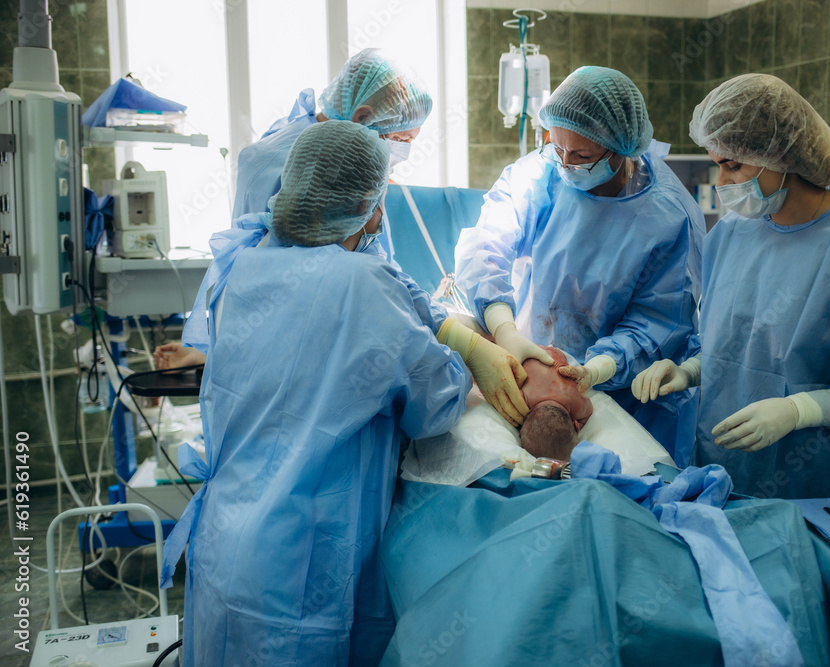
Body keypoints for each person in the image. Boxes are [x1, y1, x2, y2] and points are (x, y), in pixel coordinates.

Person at [159, 120, 472, 666]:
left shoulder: (244, 266)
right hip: (299, 567)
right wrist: (474, 358)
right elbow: (435, 404)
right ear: (371, 209)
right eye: (380, 201)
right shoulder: (361, 285)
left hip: (224, 545)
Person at [159, 48, 530, 427]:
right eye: (400, 138)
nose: (399, 156)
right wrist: (466, 354)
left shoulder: (253, 259)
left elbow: (376, 285)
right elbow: (426, 399)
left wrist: (455, 332)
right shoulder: (352, 270)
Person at [633, 73, 830, 499]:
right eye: (717, 165)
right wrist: (691, 369)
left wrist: (801, 410)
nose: (722, 184)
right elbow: (734, 344)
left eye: (732, 165)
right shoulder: (731, 234)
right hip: (726, 474)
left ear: (782, 156)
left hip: (827, 487)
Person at [454, 66, 705, 465]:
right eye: (558, 149)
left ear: (622, 149)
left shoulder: (667, 217)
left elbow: (658, 321)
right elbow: (486, 248)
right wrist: (503, 328)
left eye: (583, 156)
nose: (567, 164)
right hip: (525, 348)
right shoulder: (541, 173)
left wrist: (600, 367)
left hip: (626, 394)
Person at [519, 346, 594, 461]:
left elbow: (587, 412)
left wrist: (580, 424)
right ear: (575, 427)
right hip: (531, 352)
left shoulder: (572, 400)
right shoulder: (525, 399)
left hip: (537, 351)